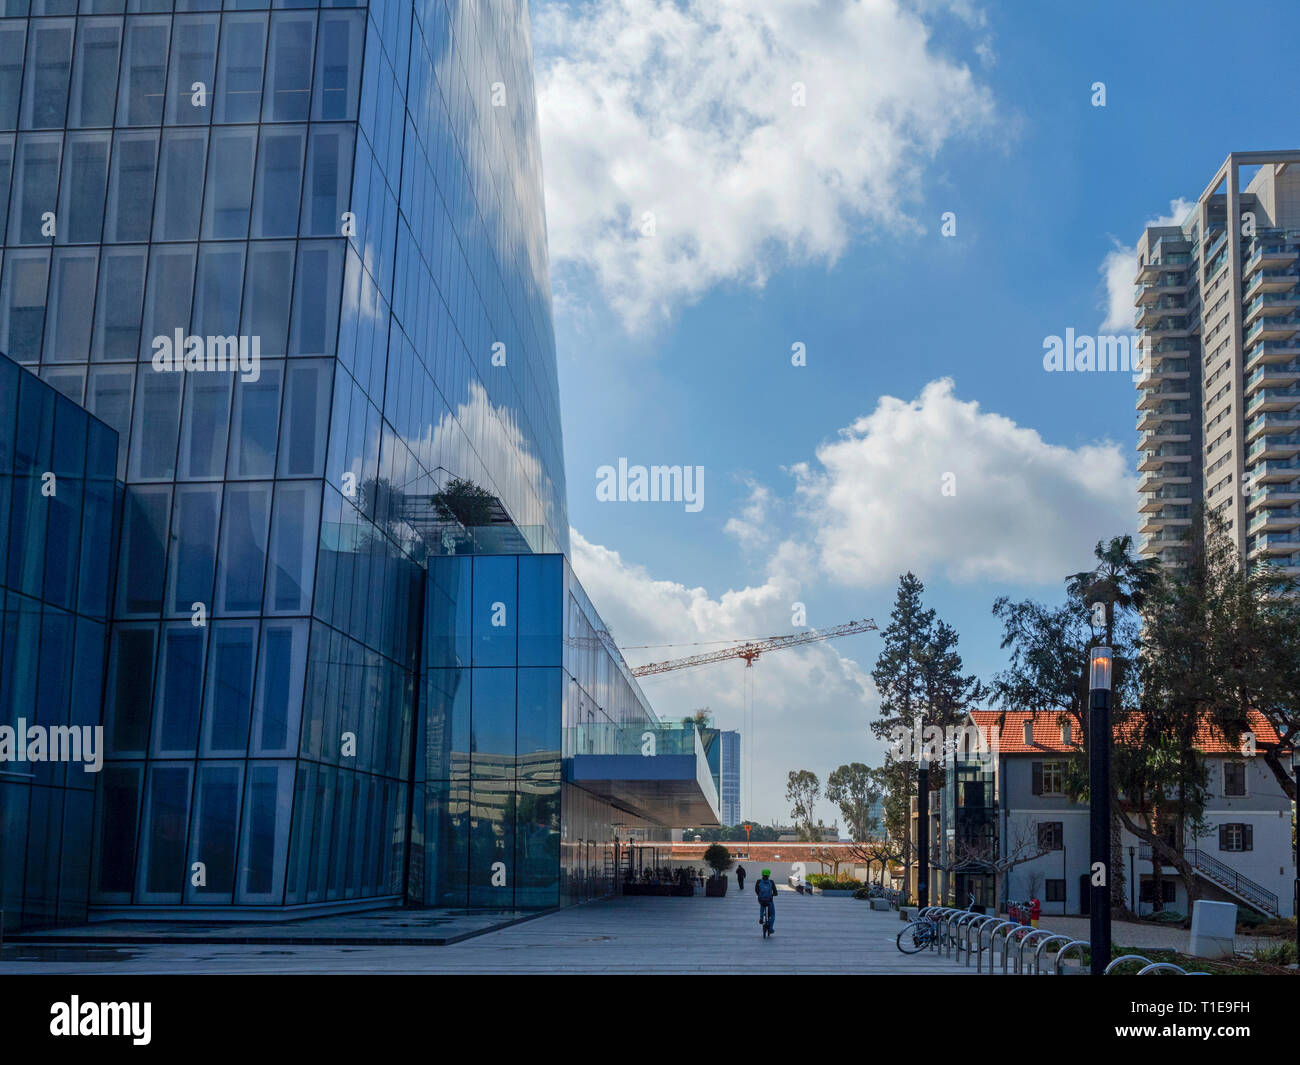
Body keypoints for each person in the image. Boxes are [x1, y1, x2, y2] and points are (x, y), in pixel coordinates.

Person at [754, 868, 777, 933]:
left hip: (761, 899)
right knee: (772, 914)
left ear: (762, 874)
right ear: (769, 875)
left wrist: (759, 895)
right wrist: (773, 895)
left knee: (762, 905)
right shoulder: (771, 882)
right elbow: (775, 893)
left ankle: (761, 918)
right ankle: (771, 928)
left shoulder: (758, 881)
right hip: (769, 900)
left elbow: (756, 890)